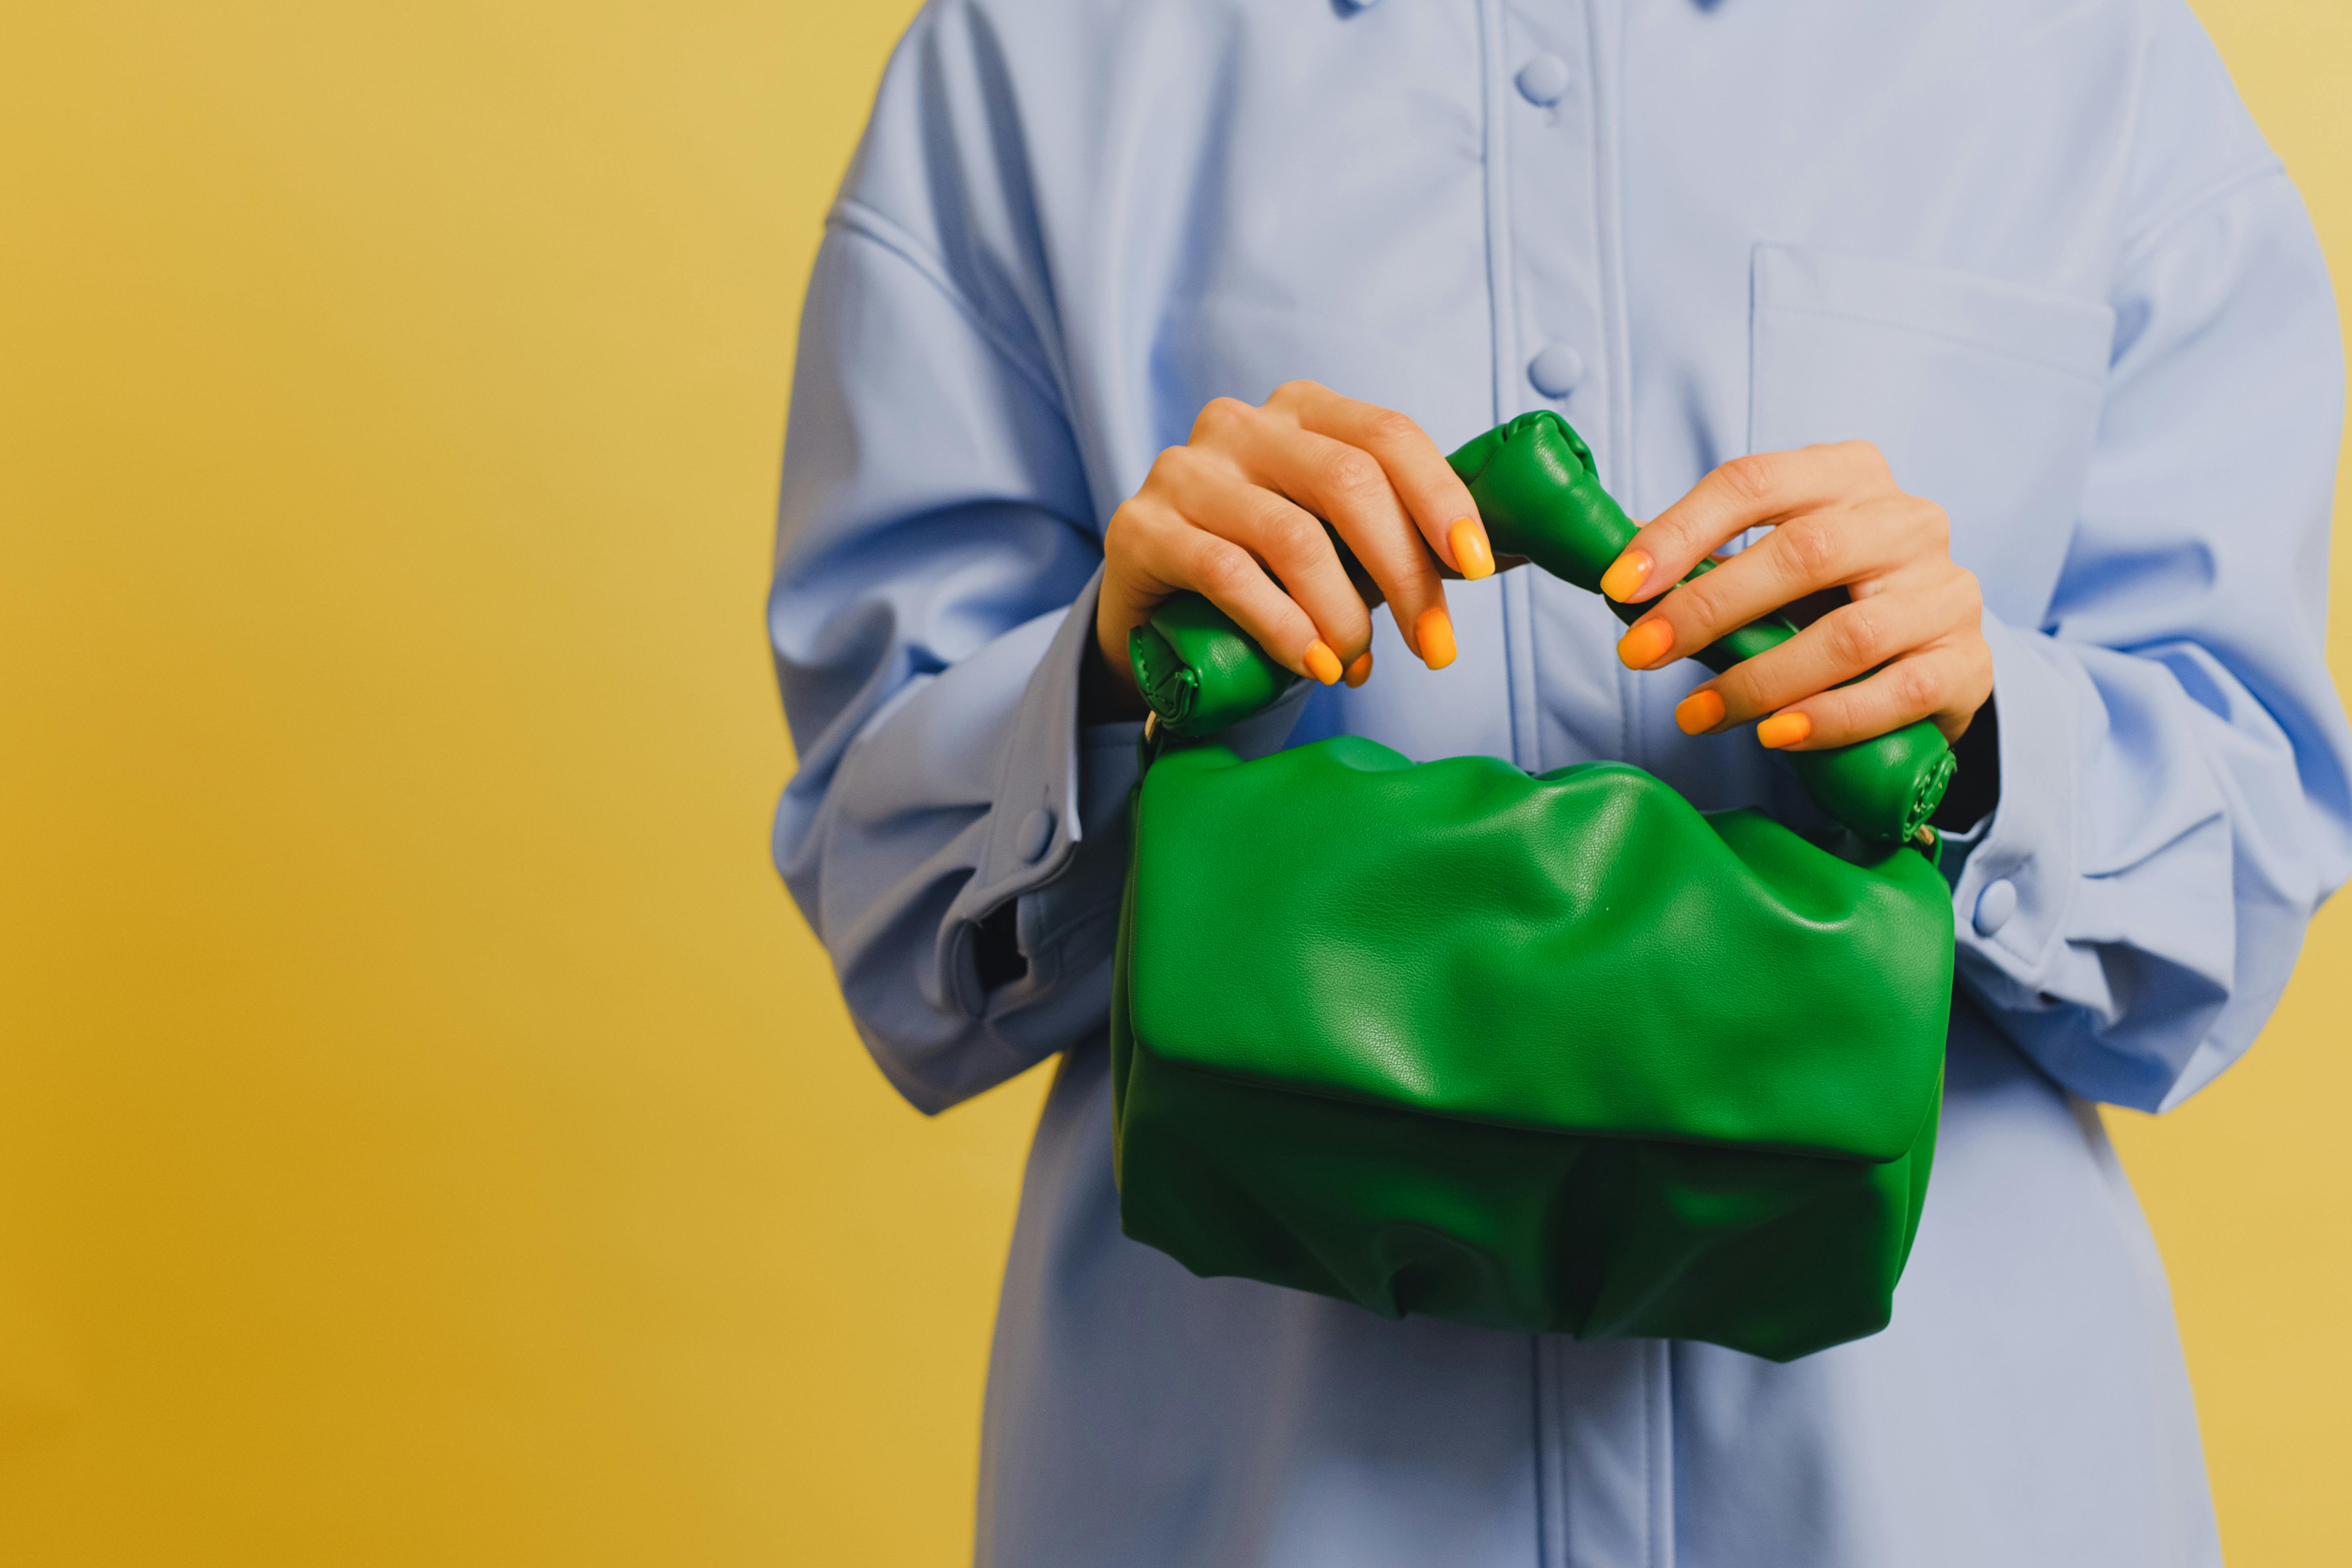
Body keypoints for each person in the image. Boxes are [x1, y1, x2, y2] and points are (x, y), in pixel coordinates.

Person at [768, 0, 2351, 1561]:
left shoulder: (2090, 53)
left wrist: (1991, 734)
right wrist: (1105, 686)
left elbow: (2241, 883)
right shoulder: (1028, 56)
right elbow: (891, 916)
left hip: (1941, 1501)